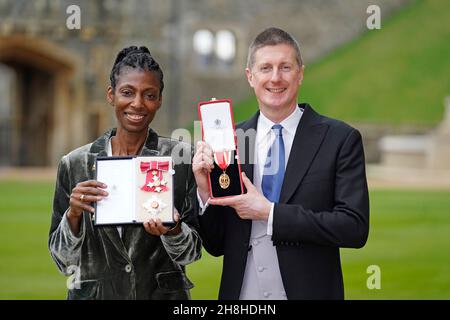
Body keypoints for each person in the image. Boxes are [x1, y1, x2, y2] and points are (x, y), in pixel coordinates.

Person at [193, 27, 369, 300]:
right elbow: (216, 244)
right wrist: (205, 192)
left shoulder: (340, 139)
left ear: (300, 73)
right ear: (250, 77)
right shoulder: (229, 140)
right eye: (265, 68)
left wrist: (270, 213)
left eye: (285, 67)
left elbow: (354, 228)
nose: (275, 78)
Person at [49, 46, 202, 300]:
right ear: (111, 95)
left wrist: (172, 230)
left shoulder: (181, 159)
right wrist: (73, 215)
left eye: (149, 95)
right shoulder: (74, 164)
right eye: (127, 93)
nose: (138, 104)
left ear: (160, 100)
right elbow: (63, 261)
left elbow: (192, 254)